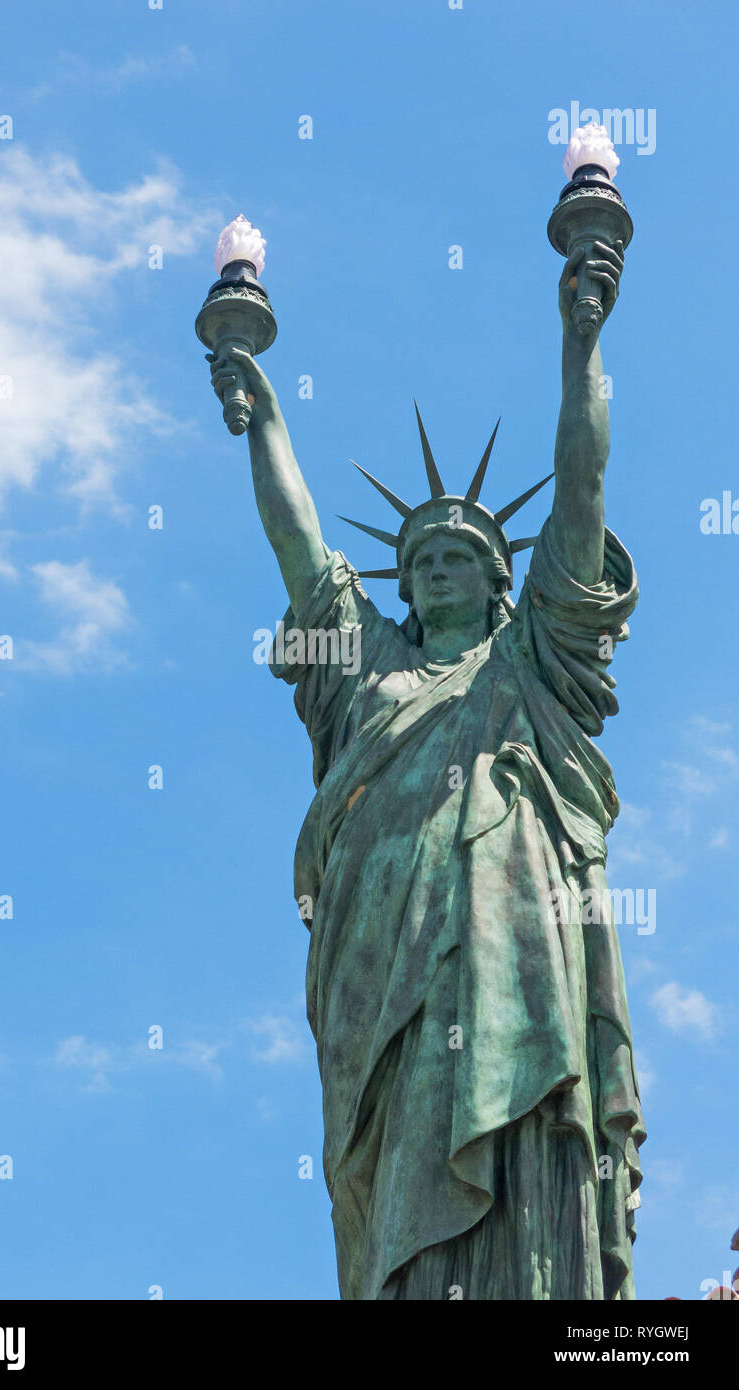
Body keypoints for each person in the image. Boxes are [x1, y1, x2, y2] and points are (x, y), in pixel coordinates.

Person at [207, 238, 645, 1300]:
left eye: (461, 556)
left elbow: (580, 490)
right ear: (401, 587)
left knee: (529, 1130)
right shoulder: (363, 665)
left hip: (518, 945)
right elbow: (298, 542)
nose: (439, 565)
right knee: (393, 1173)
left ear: (503, 581)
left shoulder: (534, 656)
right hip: (379, 958)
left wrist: (580, 339)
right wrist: (260, 410)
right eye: (420, 561)